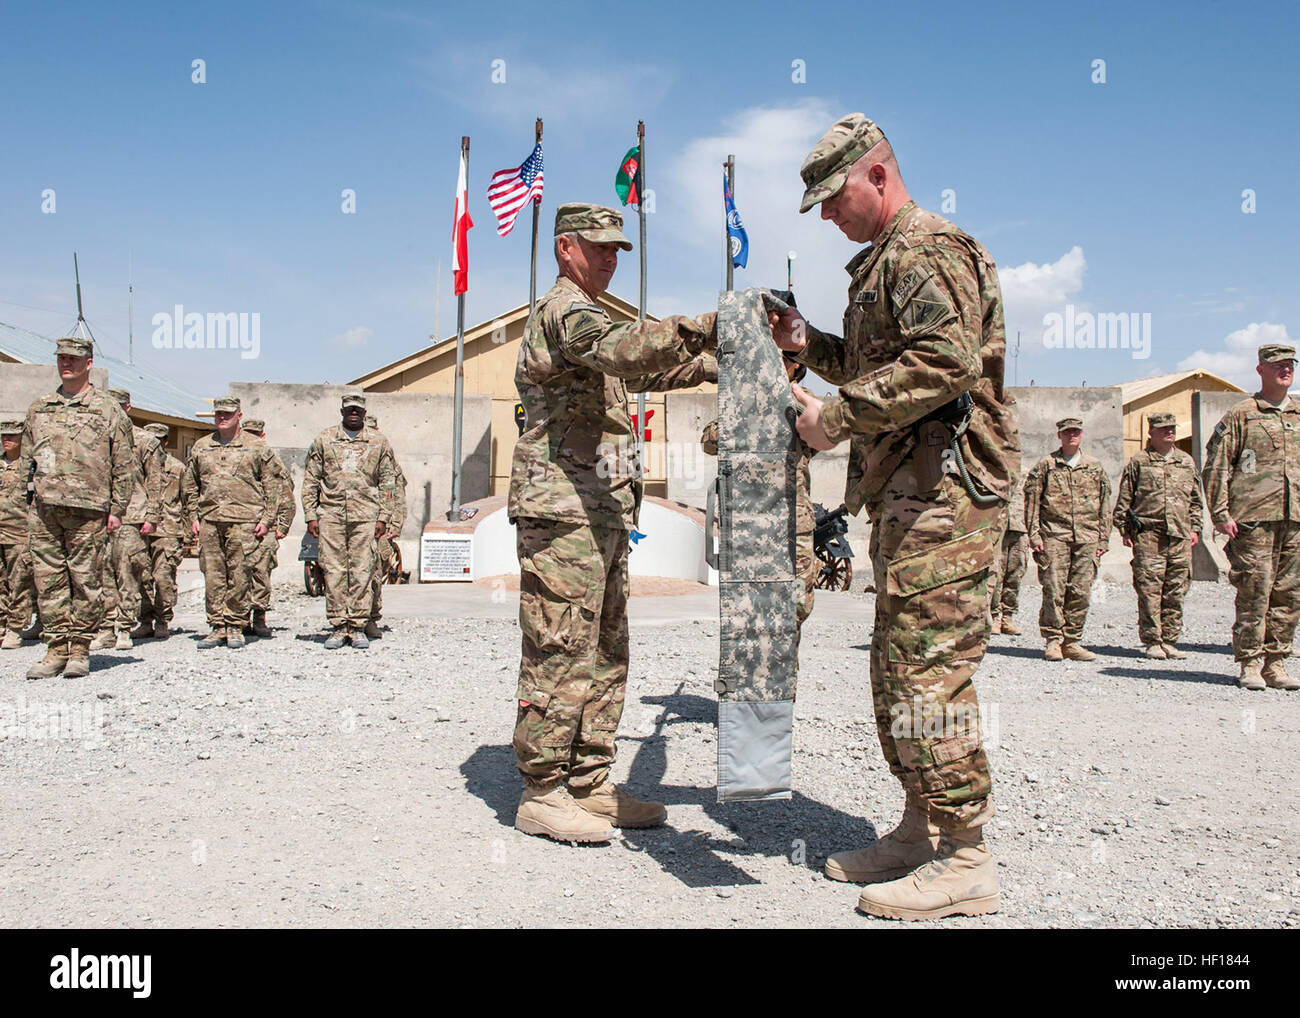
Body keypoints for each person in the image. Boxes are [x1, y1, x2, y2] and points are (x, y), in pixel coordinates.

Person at [768, 112, 1018, 920]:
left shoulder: (928, 250)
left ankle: (967, 855)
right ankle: (919, 827)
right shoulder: (883, 263)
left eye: (835, 199)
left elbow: (944, 365)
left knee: (928, 672)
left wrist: (830, 418)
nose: (829, 218)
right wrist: (809, 342)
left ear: (878, 174)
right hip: (911, 499)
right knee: (896, 667)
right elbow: (888, 363)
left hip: (948, 499)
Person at [509, 202, 718, 844]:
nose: (611, 258)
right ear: (565, 246)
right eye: (600, 247)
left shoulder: (595, 319)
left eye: (618, 250)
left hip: (597, 509)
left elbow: (650, 365)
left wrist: (726, 361)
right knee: (559, 643)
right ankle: (543, 790)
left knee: (605, 646)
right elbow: (624, 349)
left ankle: (589, 782)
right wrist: (709, 326)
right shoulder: (566, 311)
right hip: (560, 508)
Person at [21, 337, 133, 678]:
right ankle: (56, 649)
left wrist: (118, 508)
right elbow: (27, 460)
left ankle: (80, 650)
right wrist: (26, 502)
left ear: (88, 363)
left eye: (73, 358)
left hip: (89, 510)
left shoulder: (108, 408)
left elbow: (124, 464)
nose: (65, 363)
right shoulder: (40, 407)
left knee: (85, 581)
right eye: (61, 358)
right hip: (45, 509)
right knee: (48, 580)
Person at [1203, 344, 1300, 691]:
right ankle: (1249, 663)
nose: (1285, 370)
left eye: (1290, 364)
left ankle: (1276, 663)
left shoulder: (1299, 413)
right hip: (1252, 521)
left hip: (1295, 520)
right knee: (1254, 592)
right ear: (1260, 370)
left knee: (1289, 594)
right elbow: (1216, 467)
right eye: (1277, 365)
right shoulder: (1242, 414)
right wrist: (1219, 513)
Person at [701, 355, 819, 634]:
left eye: (785, 359)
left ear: (798, 367)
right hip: (749, 520)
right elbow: (709, 440)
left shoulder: (804, 401)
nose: (775, 363)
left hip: (793, 521)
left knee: (796, 606)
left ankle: (785, 672)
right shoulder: (742, 399)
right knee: (748, 609)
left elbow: (821, 435)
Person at [182, 397, 281, 649]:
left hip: (245, 521)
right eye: (218, 414)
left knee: (240, 575)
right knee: (213, 575)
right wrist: (193, 515)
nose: (222, 418)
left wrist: (268, 519)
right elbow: (190, 484)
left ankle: (236, 624)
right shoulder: (202, 446)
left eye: (227, 413)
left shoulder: (257, 447)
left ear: (239, 415)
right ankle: (217, 626)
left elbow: (272, 485)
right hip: (211, 521)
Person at [301, 394, 396, 650]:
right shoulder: (325, 439)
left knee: (362, 570)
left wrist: (384, 517)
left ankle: (357, 626)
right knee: (333, 570)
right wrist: (311, 514)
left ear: (364, 413)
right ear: (342, 412)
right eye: (349, 410)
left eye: (358, 410)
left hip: (365, 517)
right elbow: (311, 479)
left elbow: (388, 483)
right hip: (331, 516)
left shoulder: (378, 441)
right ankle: (338, 625)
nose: (353, 413)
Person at [1112, 412, 1203, 659]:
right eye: (1163, 428)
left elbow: (1195, 499)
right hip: (1149, 535)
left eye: (1172, 428)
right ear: (1151, 432)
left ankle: (1170, 640)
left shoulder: (1186, 461)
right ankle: (1153, 640)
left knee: (1176, 588)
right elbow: (1125, 498)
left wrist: (1195, 527)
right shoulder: (1139, 462)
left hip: (1180, 535)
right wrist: (1124, 529)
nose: (1169, 432)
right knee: (1149, 588)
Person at [1024, 418, 1112, 662]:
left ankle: (1072, 641)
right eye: (1067, 432)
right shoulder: (1046, 465)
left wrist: (1104, 538)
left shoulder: (1094, 466)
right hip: (1054, 535)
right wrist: (1034, 534)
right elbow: (1032, 501)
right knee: (1053, 588)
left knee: (1081, 590)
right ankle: (1053, 640)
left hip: (1087, 537)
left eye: (1076, 432)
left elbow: (1105, 503)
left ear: (1081, 435)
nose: (1072, 435)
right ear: (1059, 436)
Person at [102, 389, 164, 649]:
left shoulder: (145, 441)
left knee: (127, 572)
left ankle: (125, 627)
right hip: (99, 514)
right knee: (102, 573)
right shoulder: (95, 438)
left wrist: (152, 515)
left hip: (131, 515)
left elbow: (155, 481)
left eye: (118, 406)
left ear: (127, 408)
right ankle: (105, 627)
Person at [240, 418, 294, 638]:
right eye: (248, 433)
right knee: (238, 574)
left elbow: (285, 494)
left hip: (266, 526)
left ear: (263, 436)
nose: (252, 438)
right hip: (241, 523)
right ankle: (240, 618)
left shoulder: (272, 461)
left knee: (261, 574)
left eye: (255, 434)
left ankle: (259, 617)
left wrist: (282, 524)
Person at [139, 422, 188, 639]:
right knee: (142, 578)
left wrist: (188, 532)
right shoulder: (135, 465)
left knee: (164, 578)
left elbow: (189, 500)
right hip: (141, 527)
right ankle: (144, 620)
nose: (155, 445)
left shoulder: (177, 468)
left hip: (168, 529)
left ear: (165, 442)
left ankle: (163, 620)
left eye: (159, 440)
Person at [365, 414, 406, 639]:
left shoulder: (387, 459)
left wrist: (396, 522)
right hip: (355, 520)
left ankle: (371, 617)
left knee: (375, 573)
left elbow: (397, 493)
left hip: (380, 525)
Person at [1, 419, 36, 650]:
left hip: (20, 532)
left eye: (12, 436)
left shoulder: (30, 467)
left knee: (20, 582)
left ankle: (15, 628)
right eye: (4, 436)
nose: (7, 440)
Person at [989, 469, 1028, 635]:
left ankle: (1008, 616)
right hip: (998, 527)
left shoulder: (1027, 473)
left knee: (1016, 573)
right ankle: (994, 615)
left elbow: (1034, 502)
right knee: (996, 572)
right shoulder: (994, 471)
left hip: (1020, 528)